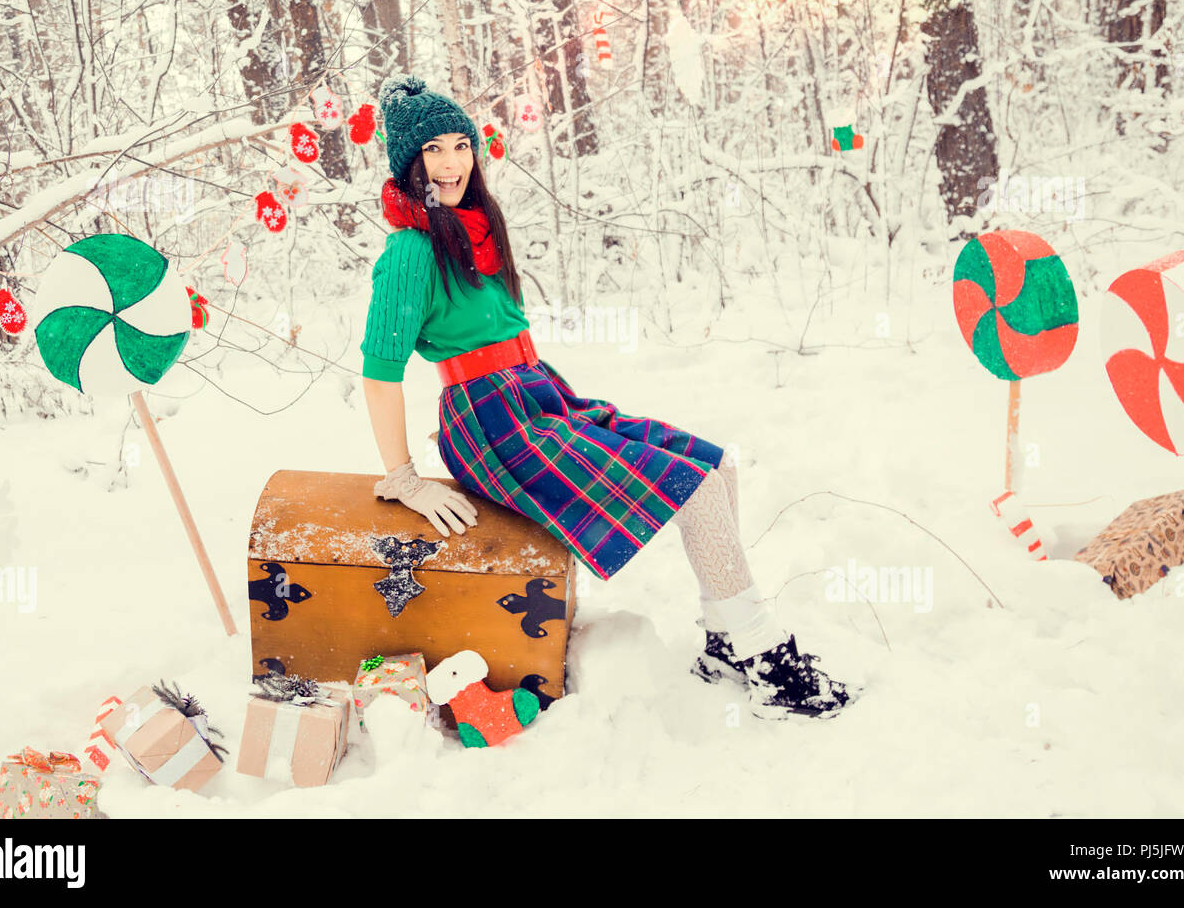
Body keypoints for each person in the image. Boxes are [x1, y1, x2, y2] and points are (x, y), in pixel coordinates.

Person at [359, 73, 858, 720]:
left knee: (717, 467)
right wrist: (404, 475)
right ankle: (762, 651)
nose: (453, 162)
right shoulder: (410, 251)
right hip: (495, 422)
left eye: (461, 144)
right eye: (434, 150)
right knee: (696, 490)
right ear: (409, 162)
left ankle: (725, 641)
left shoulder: (475, 229)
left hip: (538, 392)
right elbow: (379, 372)